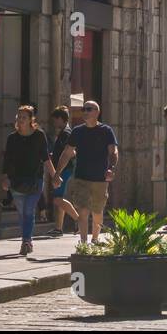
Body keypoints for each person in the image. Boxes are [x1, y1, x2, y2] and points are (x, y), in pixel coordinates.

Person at [53, 100, 118, 246]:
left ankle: (95, 239)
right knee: (82, 210)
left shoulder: (106, 131)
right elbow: (67, 152)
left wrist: (112, 168)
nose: (85, 112)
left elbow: (113, 151)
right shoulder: (77, 131)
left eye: (89, 109)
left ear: (97, 112)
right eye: (84, 109)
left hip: (100, 179)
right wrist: (57, 173)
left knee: (97, 212)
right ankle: (83, 243)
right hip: (81, 177)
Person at [2, 106, 58, 256]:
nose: (20, 120)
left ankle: (26, 241)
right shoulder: (12, 138)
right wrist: (5, 178)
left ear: (31, 119)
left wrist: (54, 175)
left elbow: (46, 157)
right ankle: (27, 239)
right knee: (22, 213)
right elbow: (7, 160)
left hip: (35, 180)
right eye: (18, 117)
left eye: (24, 117)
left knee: (28, 211)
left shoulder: (39, 135)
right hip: (16, 181)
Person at [45, 105, 78, 234]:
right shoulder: (65, 133)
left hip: (64, 170)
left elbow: (71, 152)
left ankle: (79, 219)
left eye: (55, 119)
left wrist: (57, 172)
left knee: (57, 199)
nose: (54, 122)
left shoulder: (66, 134)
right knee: (59, 200)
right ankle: (59, 228)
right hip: (64, 169)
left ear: (61, 119)